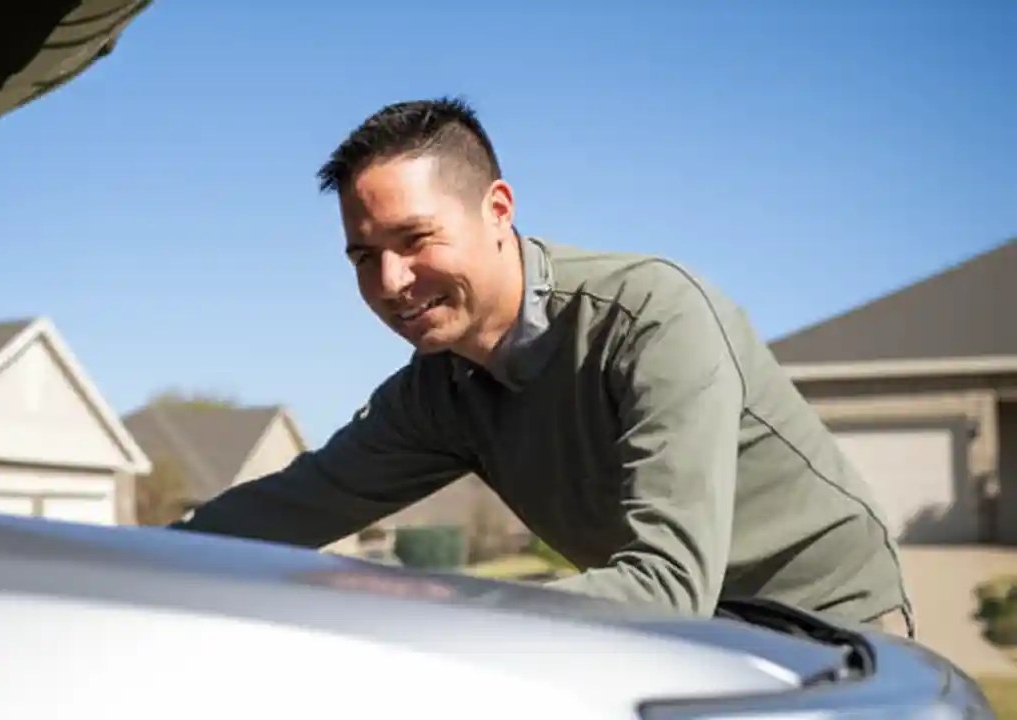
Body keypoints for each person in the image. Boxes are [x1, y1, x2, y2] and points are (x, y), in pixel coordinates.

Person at [172, 97, 914, 637]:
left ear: (498, 209)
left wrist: (445, 609)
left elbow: (668, 582)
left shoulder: (652, 318)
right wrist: (106, 561)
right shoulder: (439, 391)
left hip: (832, 630)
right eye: (365, 256)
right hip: (690, 640)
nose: (391, 282)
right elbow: (283, 509)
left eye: (415, 239)